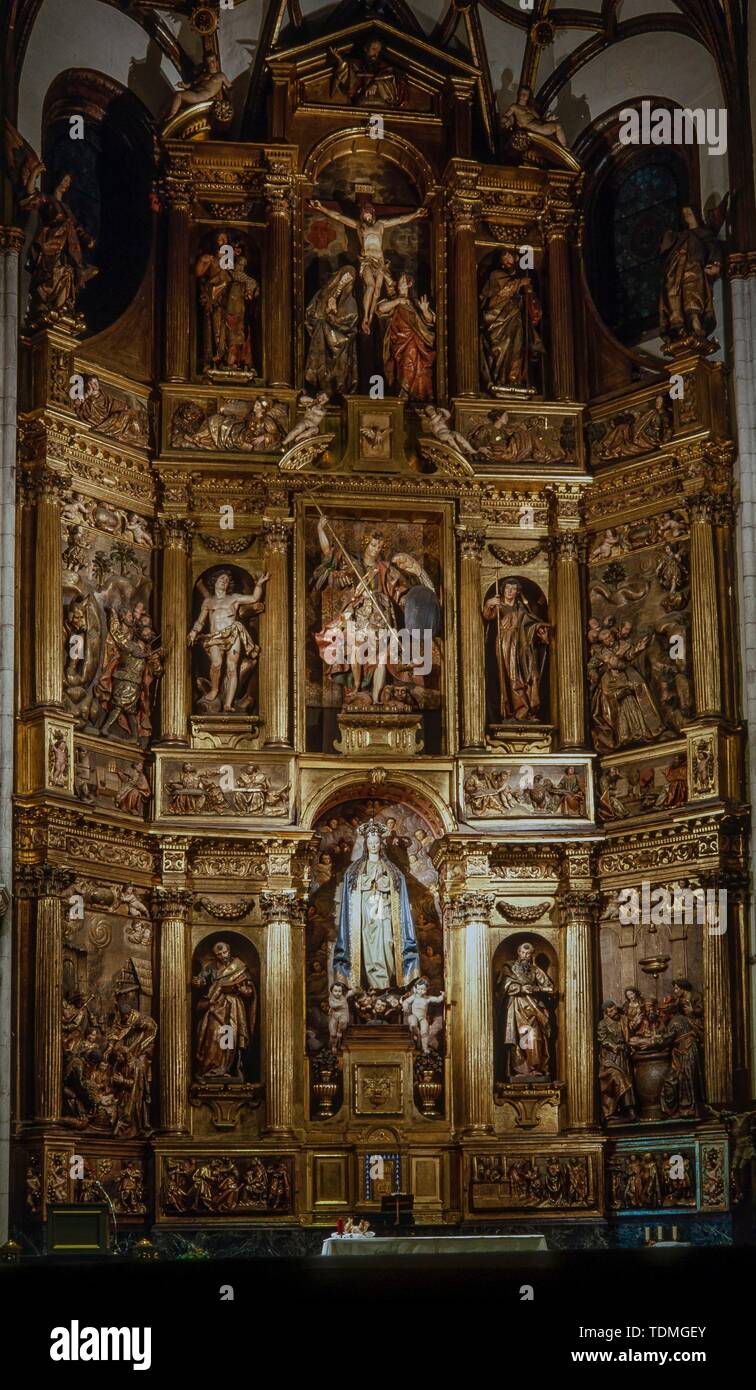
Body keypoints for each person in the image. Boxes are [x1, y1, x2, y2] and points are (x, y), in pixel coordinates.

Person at [308, 198, 427, 333]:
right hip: (367, 261)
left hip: (380, 262)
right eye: (363, 214)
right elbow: (339, 217)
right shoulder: (359, 226)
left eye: (367, 213)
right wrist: (321, 208)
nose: (366, 216)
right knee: (370, 286)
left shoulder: (381, 225)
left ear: (372, 212)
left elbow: (400, 219)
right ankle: (364, 317)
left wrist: (416, 214)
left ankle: (369, 321)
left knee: (377, 291)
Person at [333, 819, 420, 990]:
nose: (373, 845)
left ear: (381, 844)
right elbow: (352, 890)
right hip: (365, 916)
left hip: (384, 913)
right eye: (370, 842)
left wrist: (384, 883)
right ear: (366, 844)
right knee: (368, 949)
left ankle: (385, 983)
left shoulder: (392, 869)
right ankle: (373, 986)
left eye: (376, 842)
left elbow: (398, 889)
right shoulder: (356, 869)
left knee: (388, 942)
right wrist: (367, 881)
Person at [188, 569, 269, 712]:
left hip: (233, 634)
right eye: (221, 579)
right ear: (215, 582)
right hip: (215, 636)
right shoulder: (208, 601)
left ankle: (228, 703)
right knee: (216, 663)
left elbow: (254, 598)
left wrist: (259, 584)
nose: (224, 582)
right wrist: (194, 632)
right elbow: (201, 620)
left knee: (232, 668)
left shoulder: (234, 598)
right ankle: (214, 689)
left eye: (226, 580)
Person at [483, 577, 550, 722]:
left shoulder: (522, 608)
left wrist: (540, 631)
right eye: (507, 588)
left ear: (517, 592)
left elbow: (530, 624)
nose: (509, 591)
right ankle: (520, 712)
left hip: (524, 645)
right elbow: (488, 616)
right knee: (514, 679)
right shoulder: (499, 607)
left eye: (513, 589)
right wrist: (489, 604)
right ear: (502, 590)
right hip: (507, 643)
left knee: (532, 676)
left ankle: (532, 710)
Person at [192, 941, 256, 1080]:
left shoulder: (239, 967)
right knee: (214, 1035)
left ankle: (225, 1068)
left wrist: (243, 990)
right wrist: (198, 982)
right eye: (218, 954)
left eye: (224, 952)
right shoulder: (211, 967)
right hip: (214, 1004)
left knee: (228, 1036)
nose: (222, 956)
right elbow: (202, 980)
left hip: (232, 1007)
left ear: (229, 950)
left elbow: (250, 991)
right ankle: (211, 1067)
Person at [479, 250, 543, 390]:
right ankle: (499, 378)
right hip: (499, 319)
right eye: (504, 257)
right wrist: (519, 283)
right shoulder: (495, 275)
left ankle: (514, 379)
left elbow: (532, 303)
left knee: (518, 347)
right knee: (502, 346)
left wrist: (529, 293)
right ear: (501, 263)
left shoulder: (522, 277)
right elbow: (493, 298)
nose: (508, 259)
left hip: (516, 318)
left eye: (510, 256)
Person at [659, 205, 723, 341]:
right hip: (676, 269)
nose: (686, 215)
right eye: (684, 213)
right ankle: (678, 325)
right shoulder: (680, 236)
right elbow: (666, 252)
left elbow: (713, 249)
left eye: (689, 212)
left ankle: (695, 321)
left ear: (696, 214)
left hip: (695, 267)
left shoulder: (704, 233)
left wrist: (716, 265)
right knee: (672, 293)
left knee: (693, 291)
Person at [498, 941, 554, 1079]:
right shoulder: (509, 968)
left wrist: (536, 988)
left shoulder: (535, 970)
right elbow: (503, 986)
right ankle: (521, 1070)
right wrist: (521, 988)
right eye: (523, 953)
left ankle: (535, 1068)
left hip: (533, 1007)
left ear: (531, 955)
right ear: (518, 953)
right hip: (516, 1007)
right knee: (519, 1038)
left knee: (534, 1036)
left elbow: (551, 988)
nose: (525, 956)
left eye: (528, 954)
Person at [377, 272, 436, 400]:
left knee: (415, 364)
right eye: (399, 281)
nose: (400, 284)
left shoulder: (415, 303)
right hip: (398, 340)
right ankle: (403, 393)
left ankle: (412, 395)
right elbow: (381, 309)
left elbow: (430, 321)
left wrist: (425, 311)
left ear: (409, 284)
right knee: (404, 364)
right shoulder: (394, 301)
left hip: (415, 341)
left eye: (403, 281)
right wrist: (398, 300)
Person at [304, 266, 359, 396]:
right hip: (321, 335)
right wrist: (326, 311)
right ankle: (321, 385)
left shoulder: (350, 301)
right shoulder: (324, 293)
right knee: (321, 334)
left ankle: (337, 387)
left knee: (343, 349)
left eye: (349, 278)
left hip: (341, 339)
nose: (346, 280)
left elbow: (350, 322)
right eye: (345, 275)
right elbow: (312, 313)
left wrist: (331, 317)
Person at [597, 1000, 636, 1120]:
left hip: (623, 1055)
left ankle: (625, 1110)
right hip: (610, 1058)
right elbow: (602, 1039)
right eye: (610, 1011)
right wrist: (613, 1046)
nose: (614, 1012)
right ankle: (622, 1110)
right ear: (606, 1013)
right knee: (619, 1079)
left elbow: (629, 1032)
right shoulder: (603, 1024)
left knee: (627, 1079)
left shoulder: (622, 1020)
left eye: (614, 1009)